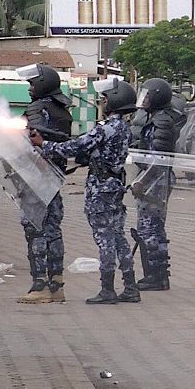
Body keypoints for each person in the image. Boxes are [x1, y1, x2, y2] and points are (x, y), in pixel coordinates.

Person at [30, 78, 140, 304]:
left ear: (115, 101)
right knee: (119, 238)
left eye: (106, 98)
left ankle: (107, 290)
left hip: (100, 190)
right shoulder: (124, 129)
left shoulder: (106, 128)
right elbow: (89, 151)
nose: (102, 101)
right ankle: (130, 287)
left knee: (105, 240)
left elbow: (75, 147)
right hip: (116, 186)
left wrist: (44, 144)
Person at [15, 63, 73, 304]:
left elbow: (30, 140)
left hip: (35, 180)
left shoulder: (38, 108)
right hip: (54, 179)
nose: (29, 88)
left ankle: (39, 286)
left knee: (36, 232)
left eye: (32, 83)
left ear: (42, 84)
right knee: (53, 231)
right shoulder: (62, 109)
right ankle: (56, 285)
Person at [131, 78, 180, 291]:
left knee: (150, 228)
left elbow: (158, 157)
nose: (145, 99)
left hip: (156, 181)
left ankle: (156, 276)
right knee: (152, 228)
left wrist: (142, 181)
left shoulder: (161, 122)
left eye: (148, 95)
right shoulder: (155, 119)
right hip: (152, 179)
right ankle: (156, 274)